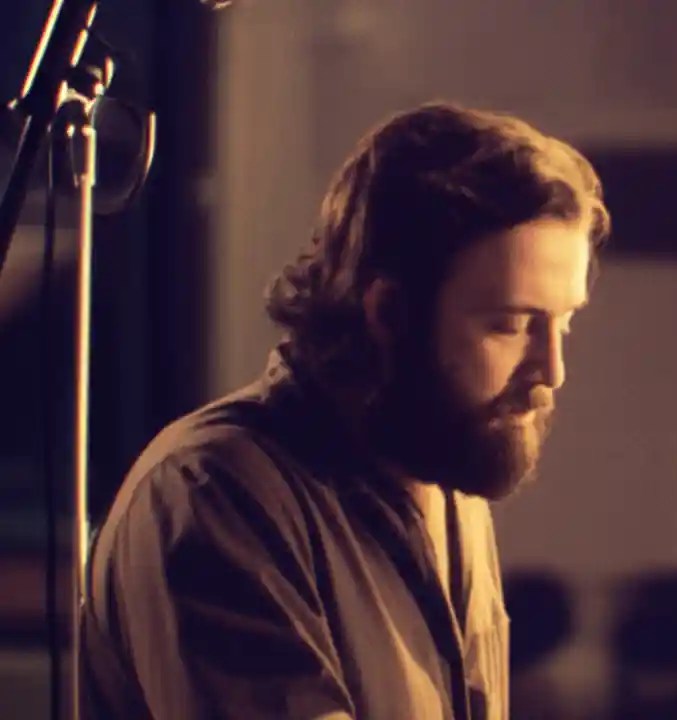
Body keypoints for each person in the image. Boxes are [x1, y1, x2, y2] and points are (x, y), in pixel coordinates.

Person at [78, 102, 610, 720]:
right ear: (389, 312)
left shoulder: (448, 477)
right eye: (512, 325)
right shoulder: (213, 497)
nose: (552, 372)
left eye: (563, 325)